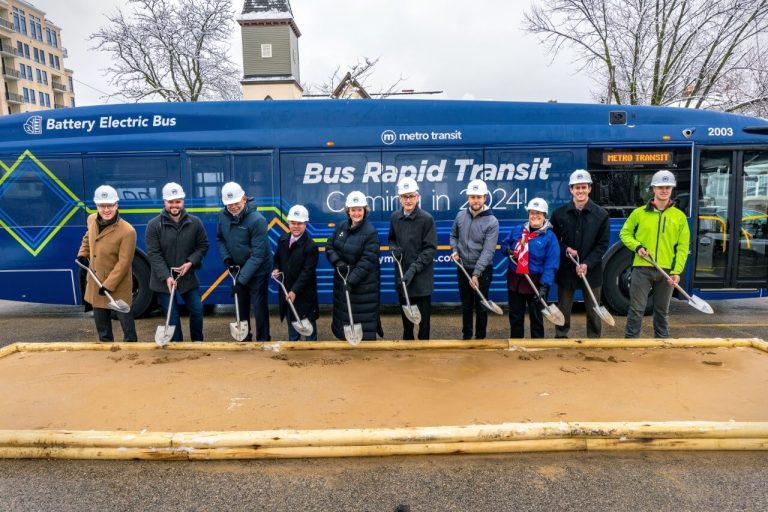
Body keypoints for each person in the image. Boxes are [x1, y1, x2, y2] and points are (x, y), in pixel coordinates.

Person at [620, 170, 690, 338]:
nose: (664, 190)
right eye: (660, 187)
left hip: (666, 272)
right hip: (641, 269)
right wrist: (637, 247)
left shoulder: (679, 217)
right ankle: (630, 342)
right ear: (653, 189)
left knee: (662, 311)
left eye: (667, 187)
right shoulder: (639, 213)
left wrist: (676, 271)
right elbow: (625, 234)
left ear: (672, 190)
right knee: (636, 310)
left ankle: (662, 342)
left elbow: (682, 246)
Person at [145, 182, 209, 342]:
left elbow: (203, 245)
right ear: (164, 202)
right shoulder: (154, 225)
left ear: (183, 201)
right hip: (163, 280)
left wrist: (190, 262)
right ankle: (177, 346)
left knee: (197, 309)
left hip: (186, 276)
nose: (174, 205)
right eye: (170, 202)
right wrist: (166, 276)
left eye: (178, 201)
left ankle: (198, 341)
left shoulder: (195, 223)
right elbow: (154, 254)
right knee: (172, 316)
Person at [550, 170, 610, 338]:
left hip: (591, 271)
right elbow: (553, 240)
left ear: (589, 189)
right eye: (577, 187)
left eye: (584, 187)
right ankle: (561, 336)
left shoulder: (601, 215)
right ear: (571, 189)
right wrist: (565, 249)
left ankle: (594, 339)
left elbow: (602, 245)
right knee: (564, 308)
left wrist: (587, 263)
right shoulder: (559, 214)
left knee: (593, 309)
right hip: (566, 270)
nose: (580, 191)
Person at [77, 185, 137, 342]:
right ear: (97, 206)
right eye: (102, 206)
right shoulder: (91, 219)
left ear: (116, 205)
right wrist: (83, 254)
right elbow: (87, 238)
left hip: (118, 284)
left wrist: (109, 284)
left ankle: (131, 349)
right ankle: (107, 349)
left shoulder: (127, 231)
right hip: (96, 281)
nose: (106, 209)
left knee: (127, 325)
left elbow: (124, 263)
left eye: (110, 205)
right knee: (102, 325)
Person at [216, 182, 272, 341]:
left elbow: (258, 255)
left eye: (236, 203)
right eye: (229, 204)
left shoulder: (257, 220)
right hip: (238, 267)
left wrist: (240, 281)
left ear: (244, 199)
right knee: (241, 303)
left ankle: (263, 339)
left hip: (259, 269)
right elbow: (220, 238)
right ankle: (245, 337)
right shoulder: (222, 216)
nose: (233, 207)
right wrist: (227, 258)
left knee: (259, 306)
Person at [326, 191, 383, 341]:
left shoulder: (370, 233)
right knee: (343, 322)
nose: (356, 213)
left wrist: (350, 281)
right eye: (353, 209)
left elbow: (367, 262)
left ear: (365, 211)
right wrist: (338, 262)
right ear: (348, 211)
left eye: (359, 209)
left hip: (362, 289)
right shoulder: (341, 227)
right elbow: (329, 246)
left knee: (363, 329)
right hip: (342, 285)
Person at [387, 177, 438, 340]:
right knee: (407, 324)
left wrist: (413, 270)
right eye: (404, 197)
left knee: (423, 324)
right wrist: (393, 248)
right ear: (399, 199)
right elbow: (391, 239)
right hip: (403, 276)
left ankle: (424, 354)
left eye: (411, 196)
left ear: (418, 197)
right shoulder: (395, 218)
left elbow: (430, 249)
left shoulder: (426, 219)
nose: (408, 200)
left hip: (421, 278)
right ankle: (407, 352)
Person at [503, 198, 560, 338]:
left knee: (536, 318)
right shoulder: (518, 230)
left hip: (536, 282)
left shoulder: (550, 237)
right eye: (532, 213)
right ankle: (516, 343)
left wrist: (545, 285)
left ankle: (537, 347)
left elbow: (551, 264)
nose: (534, 216)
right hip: (516, 280)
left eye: (538, 213)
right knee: (515, 316)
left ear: (544, 215)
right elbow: (505, 243)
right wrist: (507, 250)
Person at [450, 179, 499, 340]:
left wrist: (476, 274)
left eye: (479, 197)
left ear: (485, 197)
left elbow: (488, 250)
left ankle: (480, 338)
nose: (476, 200)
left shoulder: (492, 221)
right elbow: (454, 236)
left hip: (483, 271)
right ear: (468, 198)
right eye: (472, 197)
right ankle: (466, 336)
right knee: (466, 305)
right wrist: (455, 250)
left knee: (481, 305)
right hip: (463, 267)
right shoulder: (460, 215)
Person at [272, 204, 319, 341]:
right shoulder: (282, 240)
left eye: (300, 223)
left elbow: (307, 273)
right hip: (287, 290)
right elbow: (277, 259)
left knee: (309, 330)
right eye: (293, 223)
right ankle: (293, 351)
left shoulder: (311, 246)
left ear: (305, 224)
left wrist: (294, 291)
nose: (296, 226)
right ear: (288, 223)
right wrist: (276, 269)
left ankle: (311, 351)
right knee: (293, 331)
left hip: (304, 294)